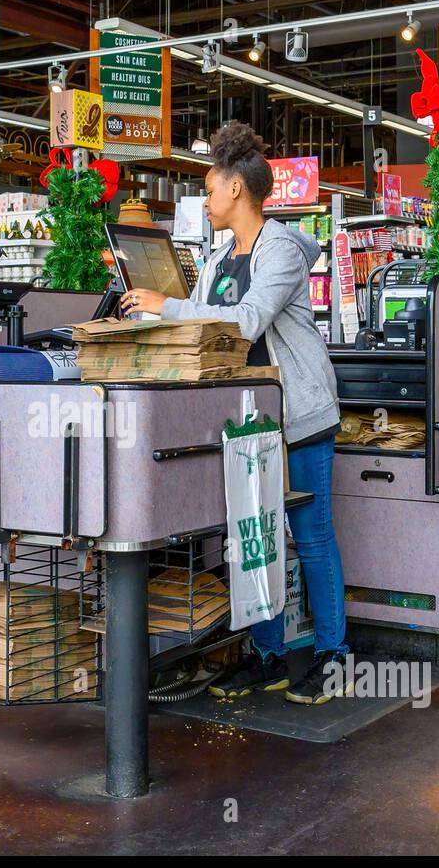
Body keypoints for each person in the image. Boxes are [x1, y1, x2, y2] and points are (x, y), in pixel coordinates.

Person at [119, 120, 349, 706]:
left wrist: (164, 305)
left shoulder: (282, 253)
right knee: (256, 539)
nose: (205, 199)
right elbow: (202, 312)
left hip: (299, 416)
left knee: (311, 535)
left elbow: (245, 322)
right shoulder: (222, 255)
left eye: (209, 187)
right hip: (248, 422)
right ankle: (269, 654)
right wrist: (154, 311)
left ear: (235, 190)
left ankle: (332, 655)